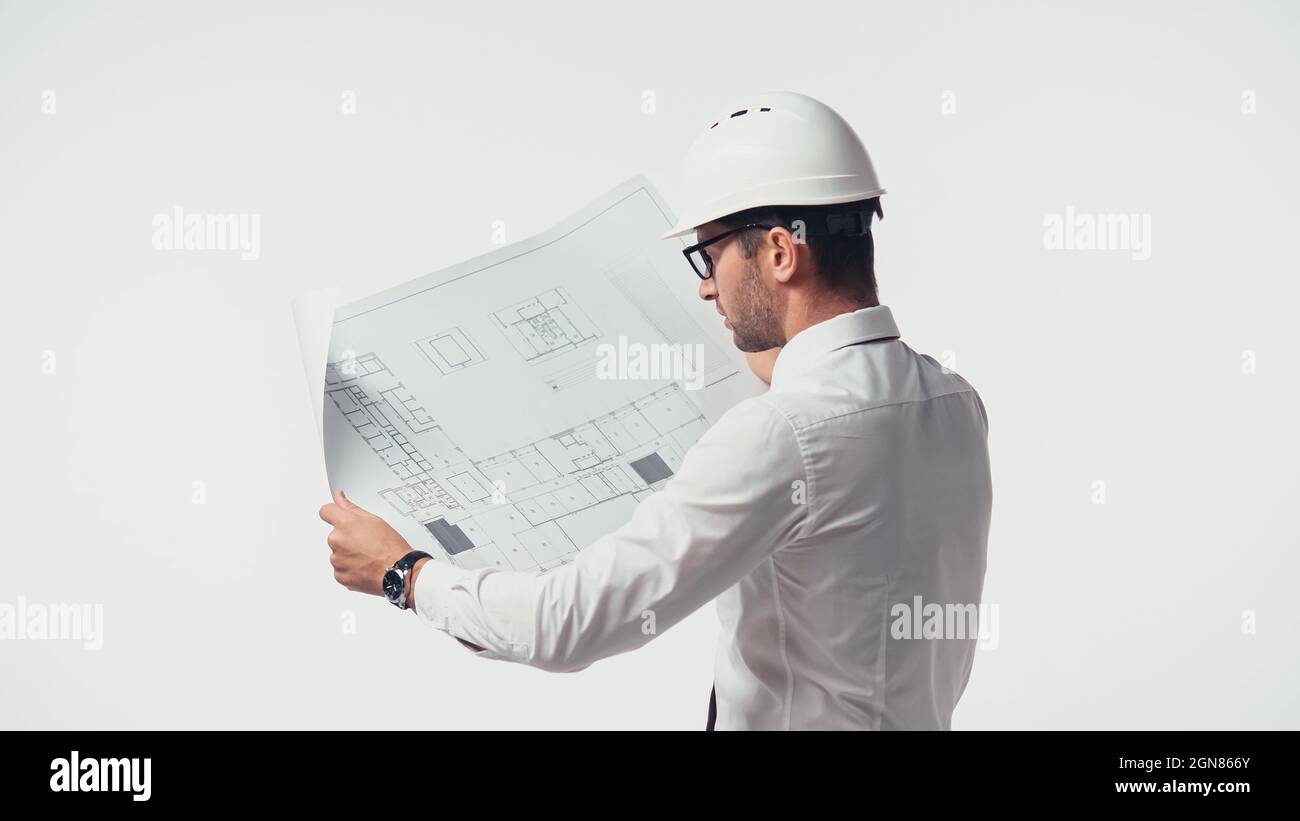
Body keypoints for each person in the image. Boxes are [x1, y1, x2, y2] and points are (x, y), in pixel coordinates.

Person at [320, 91, 993, 730]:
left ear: (781, 253)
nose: (704, 286)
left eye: (710, 253)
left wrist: (403, 572)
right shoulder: (955, 403)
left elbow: (569, 621)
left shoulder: (780, 433)